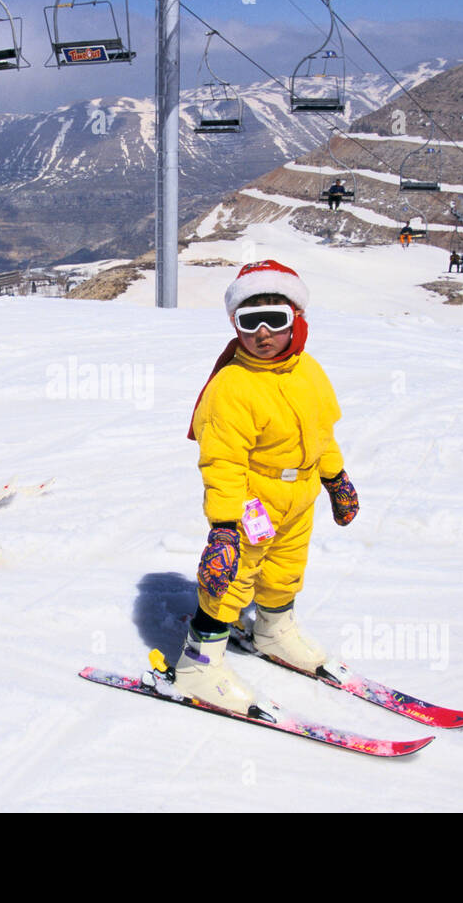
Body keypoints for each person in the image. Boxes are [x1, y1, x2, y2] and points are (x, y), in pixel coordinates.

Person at [177, 260, 359, 714]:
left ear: (296, 320)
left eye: (275, 320)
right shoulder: (232, 386)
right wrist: (223, 526)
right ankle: (199, 663)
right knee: (231, 581)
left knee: (285, 571)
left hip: (300, 499)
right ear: (234, 325)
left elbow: (322, 435)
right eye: (248, 320)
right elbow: (221, 462)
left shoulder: (309, 372)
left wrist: (335, 477)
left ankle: (273, 631)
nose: (262, 332)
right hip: (251, 504)